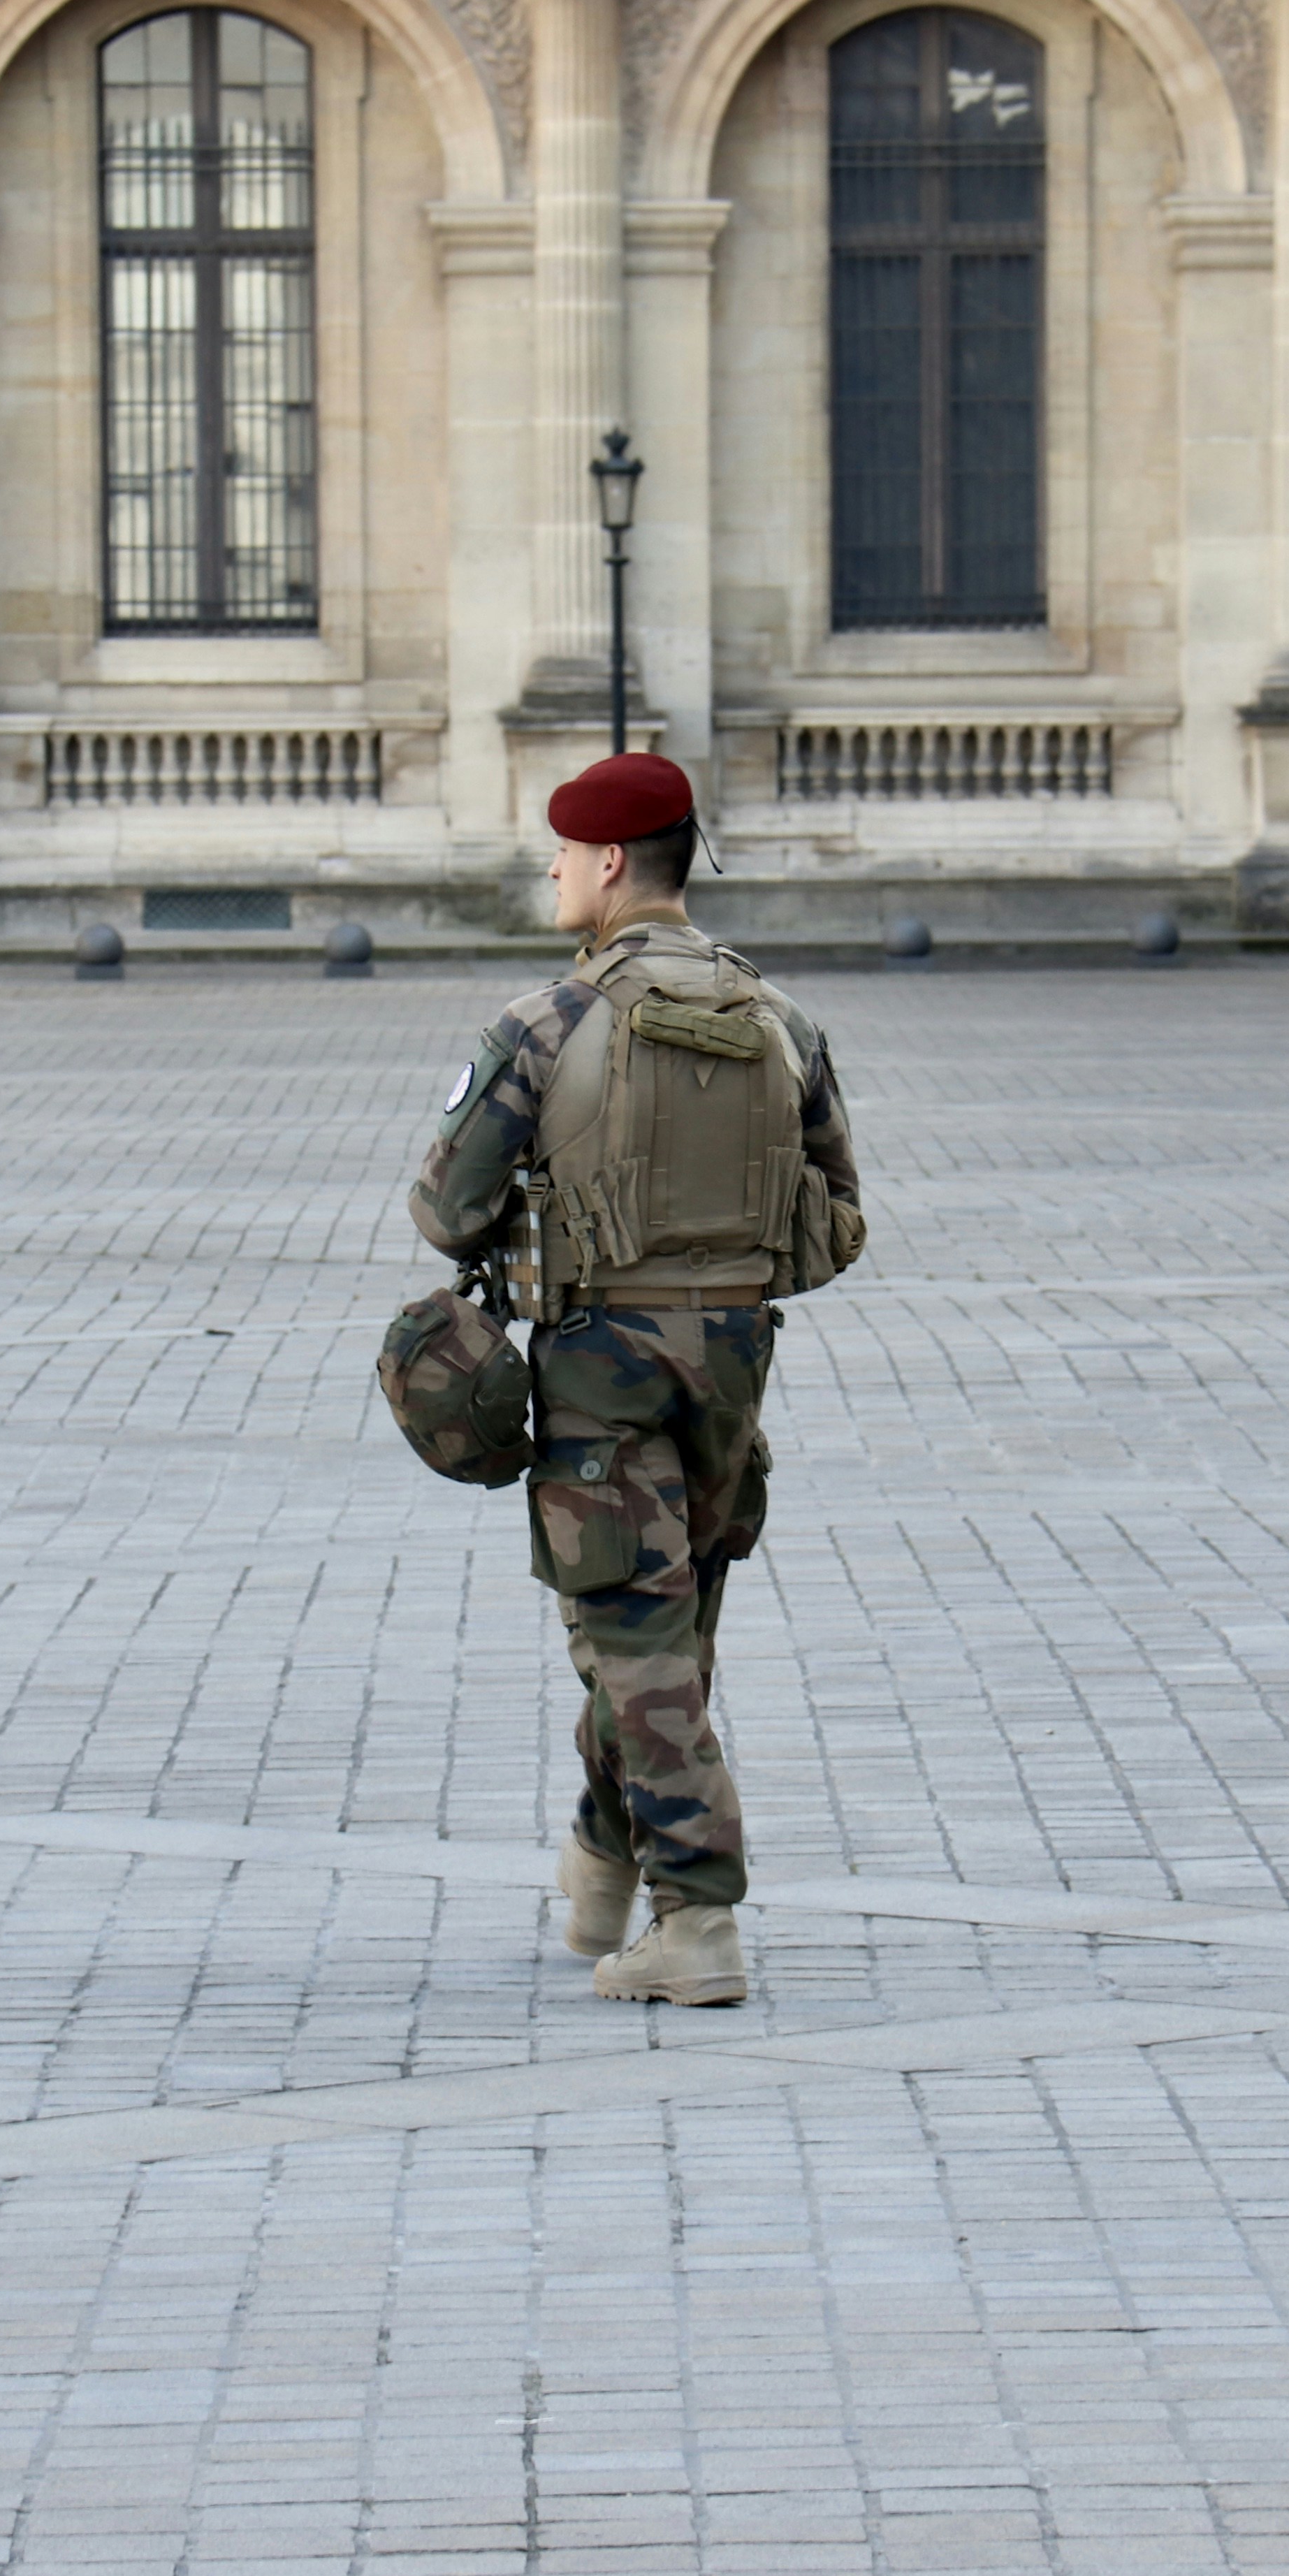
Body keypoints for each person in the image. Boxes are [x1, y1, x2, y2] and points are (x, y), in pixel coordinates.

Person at [408, 752, 862, 2004]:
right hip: (733, 1366)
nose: (553, 872)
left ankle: (698, 1922)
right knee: (665, 1632)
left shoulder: (547, 1024)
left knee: (638, 1642)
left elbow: (445, 1212)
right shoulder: (781, 1021)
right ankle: (604, 1862)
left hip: (599, 1368)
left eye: (563, 854)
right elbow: (838, 1223)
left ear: (609, 864)